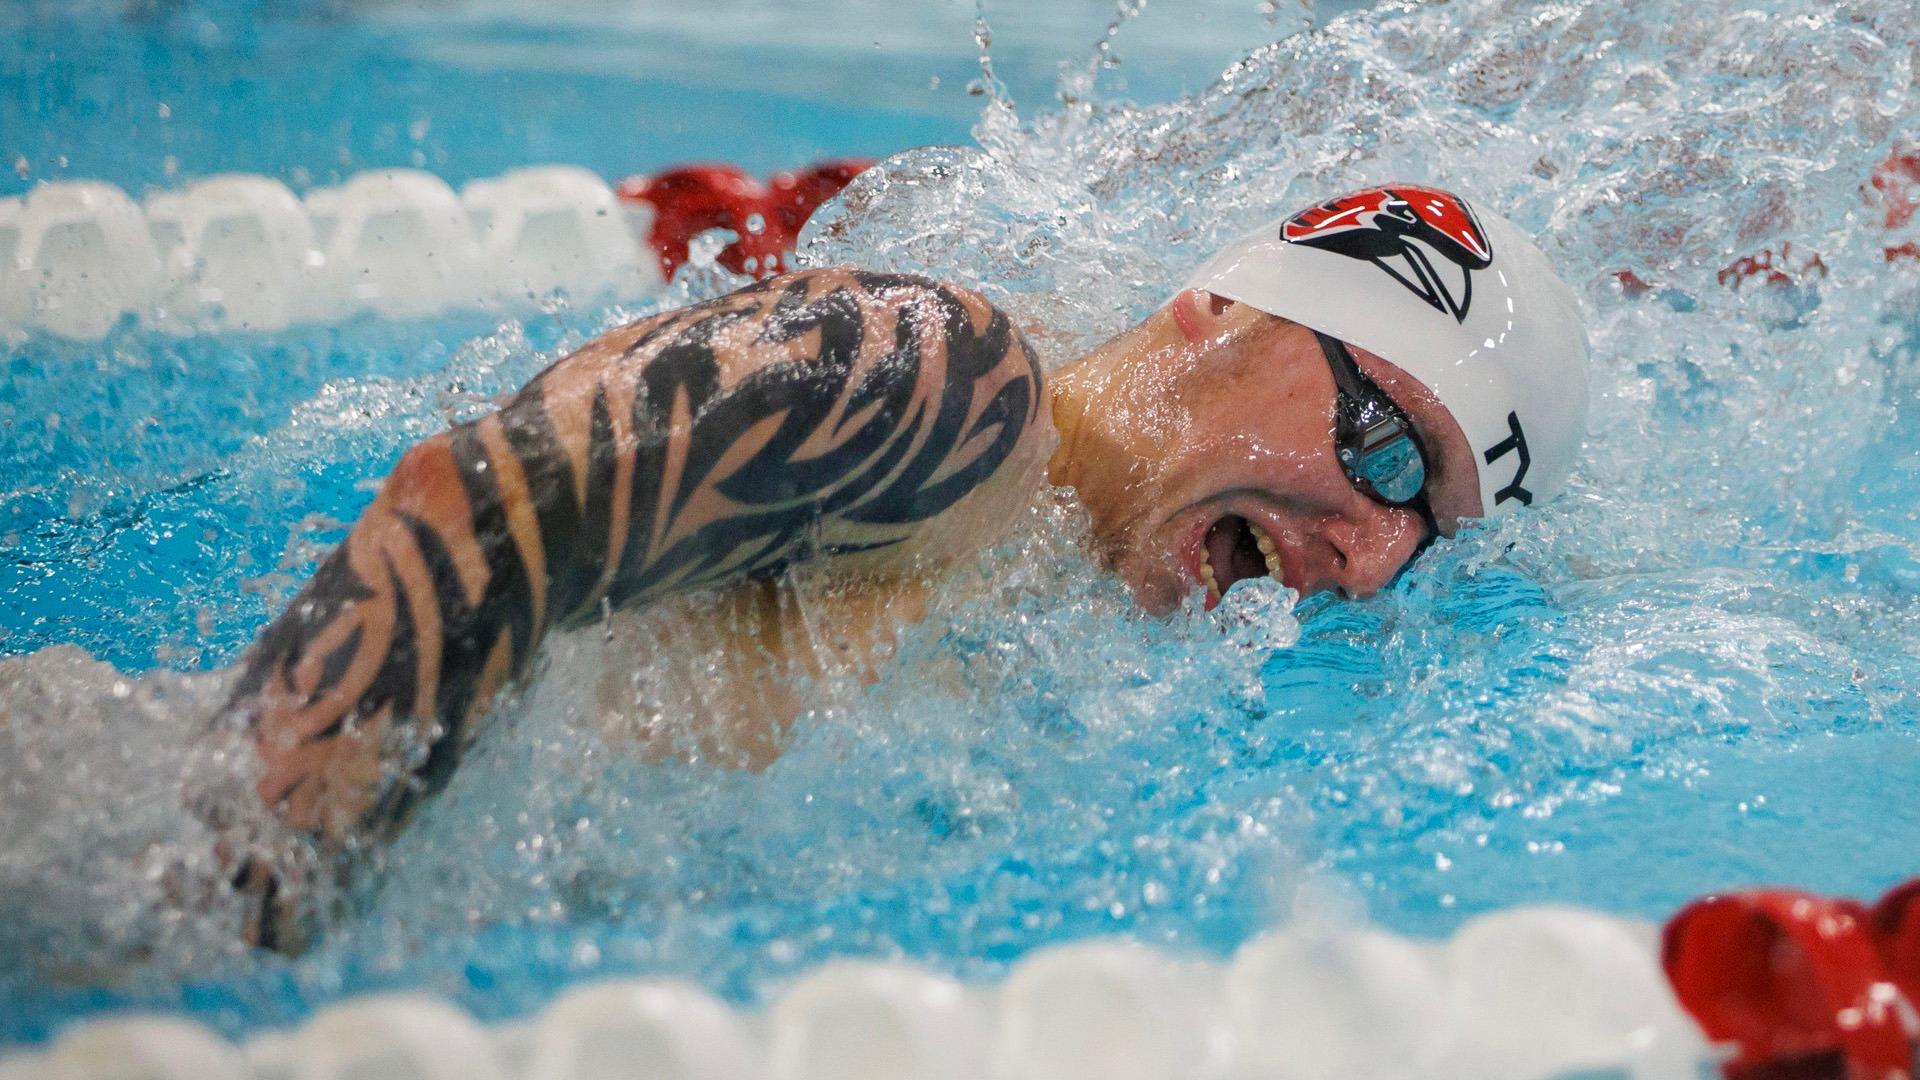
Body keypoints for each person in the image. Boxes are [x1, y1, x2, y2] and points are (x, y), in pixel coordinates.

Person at [209, 183, 1590, 950]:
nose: (1367, 554)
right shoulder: (948, 390)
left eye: (1428, 531)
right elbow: (482, 509)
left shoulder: (1083, 604)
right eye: (1387, 450)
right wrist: (230, 927)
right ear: (1225, 310)